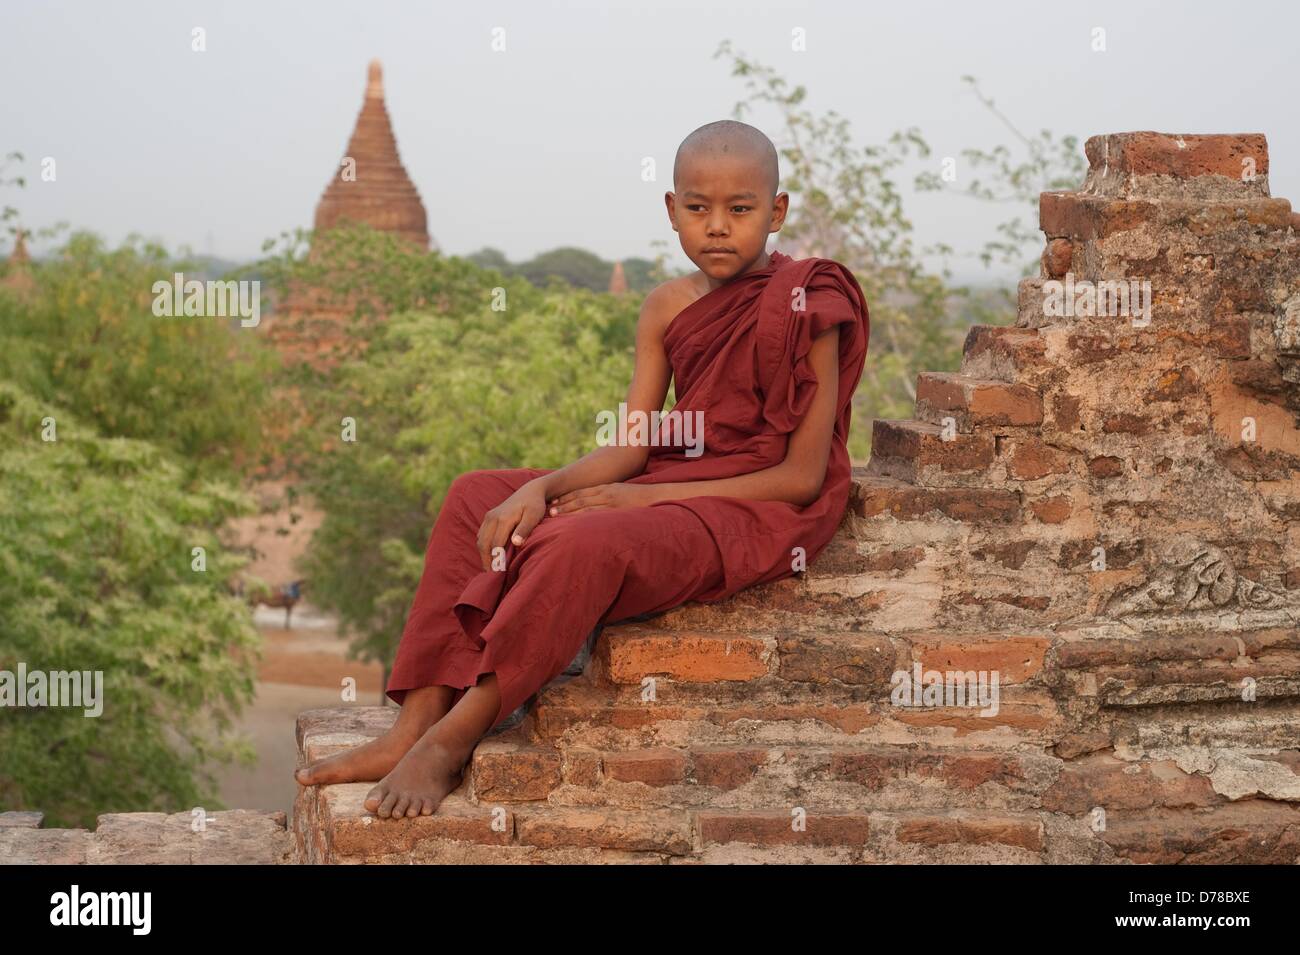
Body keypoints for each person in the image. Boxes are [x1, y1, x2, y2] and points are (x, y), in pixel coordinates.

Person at [294, 119, 870, 819]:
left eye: (740, 210)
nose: (717, 227)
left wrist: (635, 504)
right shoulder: (666, 305)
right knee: (479, 494)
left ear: (776, 212)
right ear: (671, 210)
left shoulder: (812, 301)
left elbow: (802, 476)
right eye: (698, 208)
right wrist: (544, 487)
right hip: (669, 481)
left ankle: (455, 736)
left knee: (579, 539)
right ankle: (413, 722)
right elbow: (632, 446)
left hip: (757, 506)